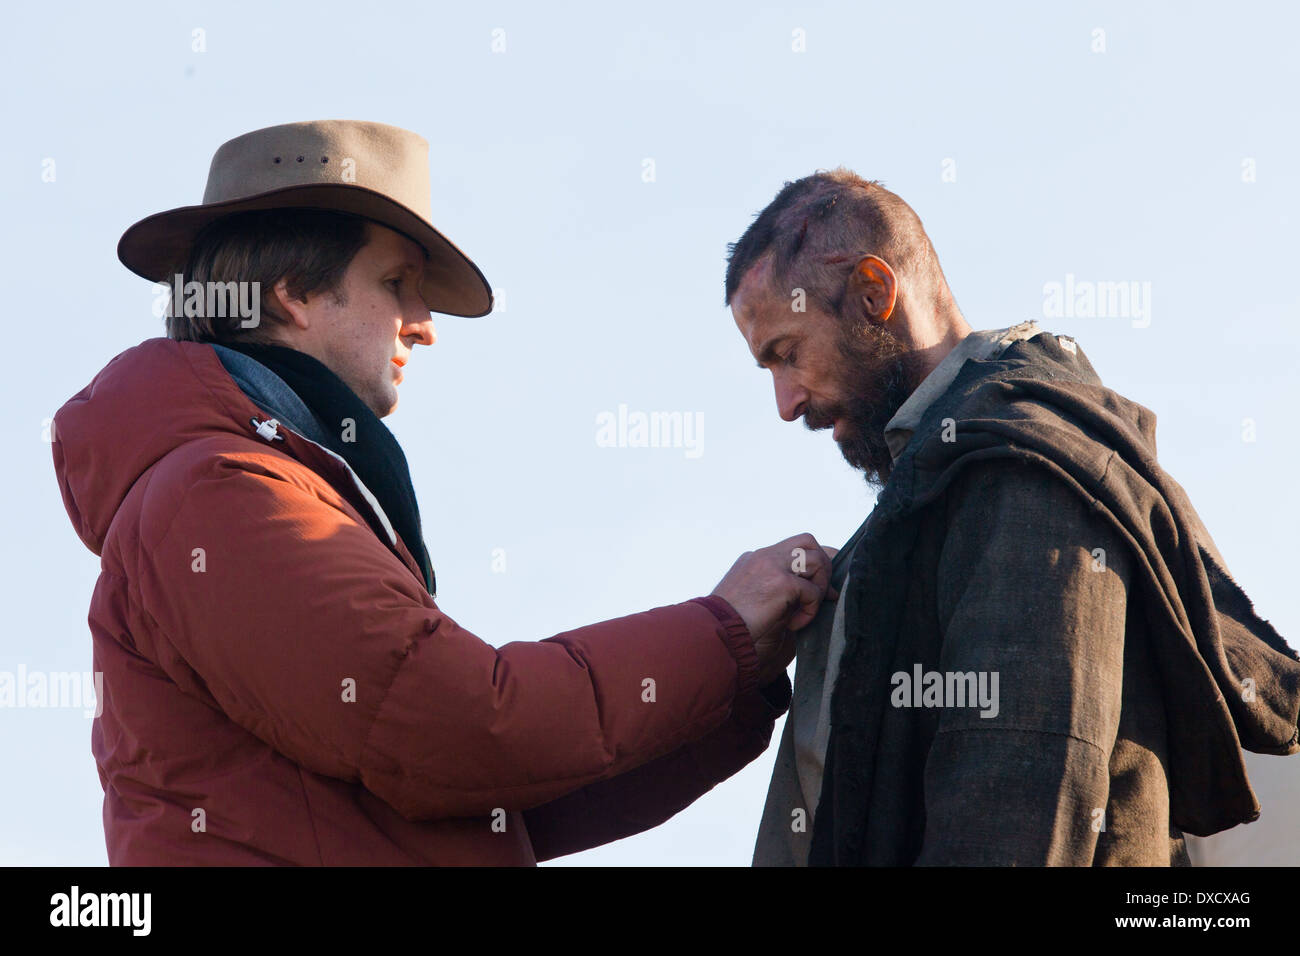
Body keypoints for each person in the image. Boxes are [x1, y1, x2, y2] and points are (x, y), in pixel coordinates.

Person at [50, 119, 834, 865]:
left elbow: (498, 801)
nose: (423, 324)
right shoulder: (218, 493)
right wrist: (720, 631)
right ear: (293, 293)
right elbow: (461, 730)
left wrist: (734, 677)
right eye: (397, 283)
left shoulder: (264, 486)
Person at [730, 168, 1300, 866]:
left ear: (875, 292)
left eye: (787, 354)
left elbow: (1023, 801)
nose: (785, 404)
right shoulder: (945, 488)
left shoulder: (1023, 472)